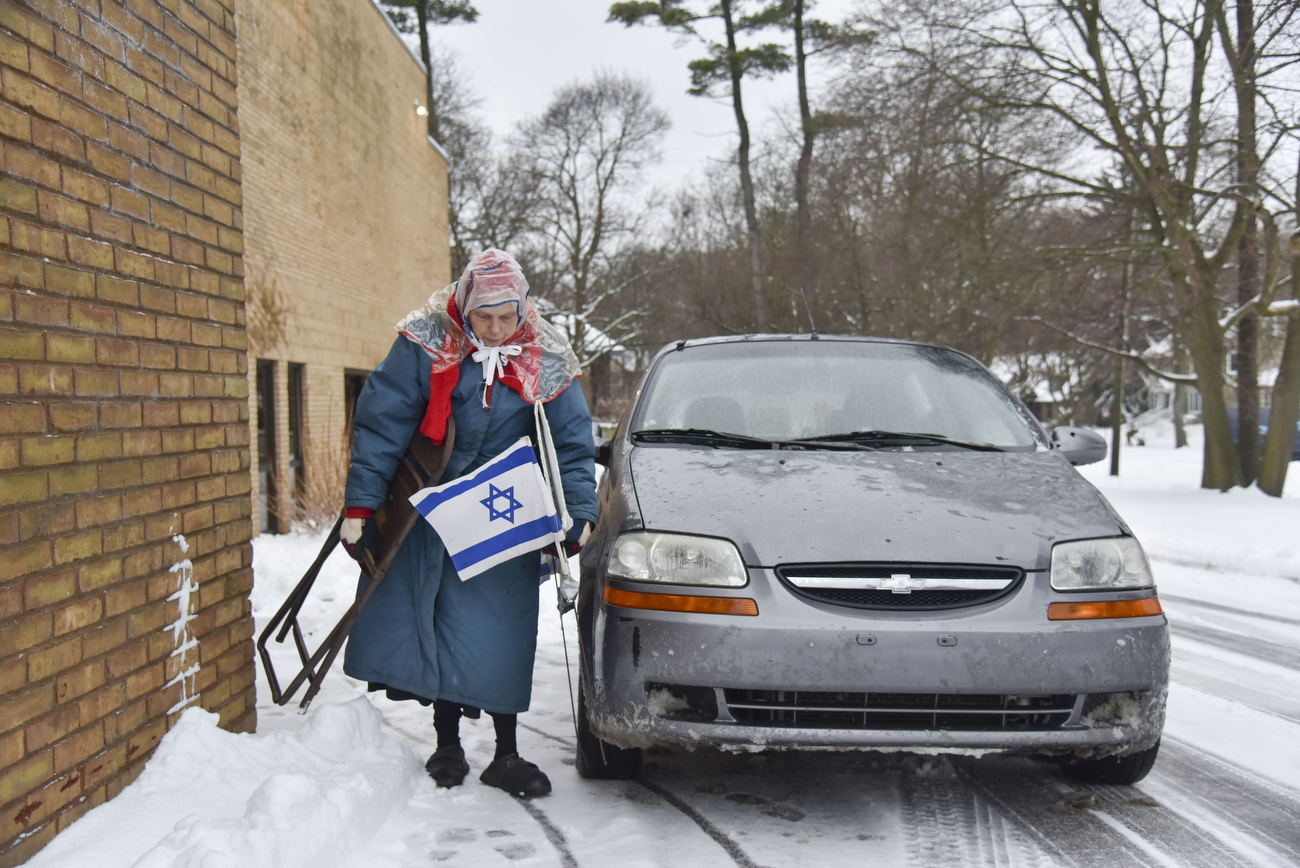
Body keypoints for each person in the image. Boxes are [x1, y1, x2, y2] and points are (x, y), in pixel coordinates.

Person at [339, 249, 597, 798]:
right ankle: (447, 744)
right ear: (464, 306)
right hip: (434, 509)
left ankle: (507, 754)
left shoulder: (544, 354)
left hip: (508, 511)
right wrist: (361, 507)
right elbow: (381, 425)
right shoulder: (426, 342)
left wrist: (578, 512)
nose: (498, 329)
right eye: (485, 318)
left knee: (500, 631)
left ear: (522, 309)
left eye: (508, 317)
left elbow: (571, 445)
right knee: (440, 620)